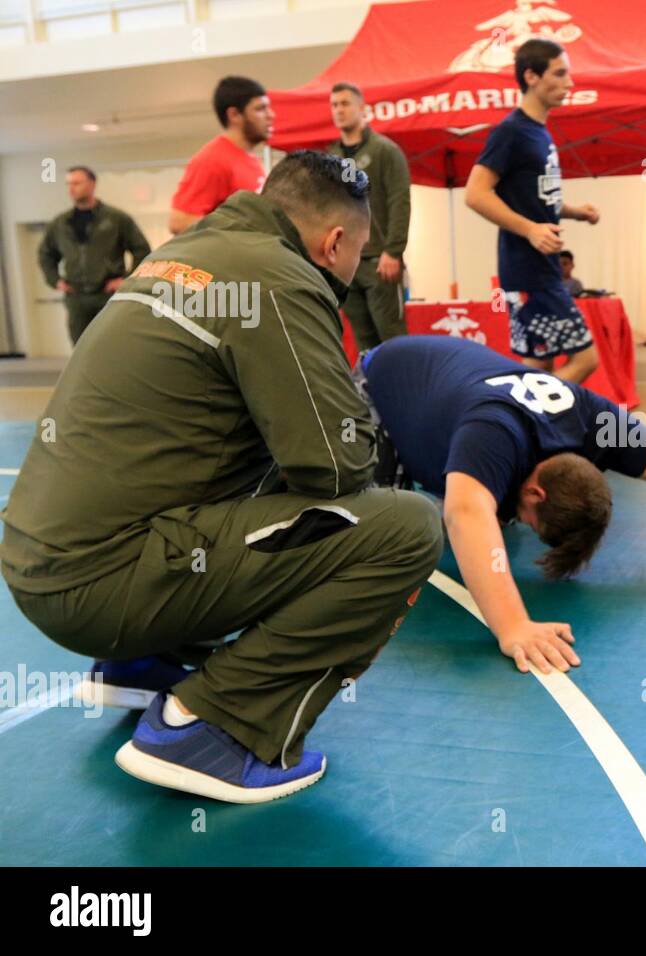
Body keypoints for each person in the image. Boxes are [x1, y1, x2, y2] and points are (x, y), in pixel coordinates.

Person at [1, 151, 442, 803]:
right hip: (100, 583)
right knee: (403, 528)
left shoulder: (181, 254)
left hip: (41, 561)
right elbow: (337, 464)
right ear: (335, 242)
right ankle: (212, 730)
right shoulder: (280, 278)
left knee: (236, 458)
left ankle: (142, 662)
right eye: (360, 252)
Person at [355, 334, 646, 675]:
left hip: (445, 385)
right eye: (533, 522)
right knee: (388, 525)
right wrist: (513, 626)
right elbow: (464, 514)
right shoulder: (494, 432)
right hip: (381, 384)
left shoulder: (597, 422)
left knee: (483, 502)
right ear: (536, 492)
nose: (527, 527)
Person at [465, 38, 601, 384]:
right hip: (529, 273)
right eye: (559, 73)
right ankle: (527, 414)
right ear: (531, 76)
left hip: (540, 269)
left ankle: (526, 417)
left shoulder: (540, 133)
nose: (569, 82)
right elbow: (475, 194)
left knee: (539, 366)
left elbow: (537, 200)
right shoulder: (511, 132)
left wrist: (575, 212)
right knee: (585, 359)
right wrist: (530, 229)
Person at [326, 81, 413, 349]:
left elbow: (400, 201)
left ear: (362, 108)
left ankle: (401, 380)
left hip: (380, 261)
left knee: (393, 341)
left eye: (345, 103)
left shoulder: (385, 151)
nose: (339, 110)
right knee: (364, 345)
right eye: (334, 105)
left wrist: (393, 251)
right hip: (346, 265)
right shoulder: (332, 156)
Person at [38, 165, 151, 344]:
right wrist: (56, 280)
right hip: (76, 297)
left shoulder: (116, 219)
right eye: (68, 184)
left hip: (107, 294)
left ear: (92, 184)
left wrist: (127, 280)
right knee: (80, 347)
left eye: (77, 183)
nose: (71, 188)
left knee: (114, 343)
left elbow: (142, 250)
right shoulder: (60, 223)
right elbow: (45, 254)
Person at [169, 76, 274, 235]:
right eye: (260, 109)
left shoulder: (250, 159)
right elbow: (180, 222)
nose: (271, 115)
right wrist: (240, 236)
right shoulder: (212, 159)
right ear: (234, 115)